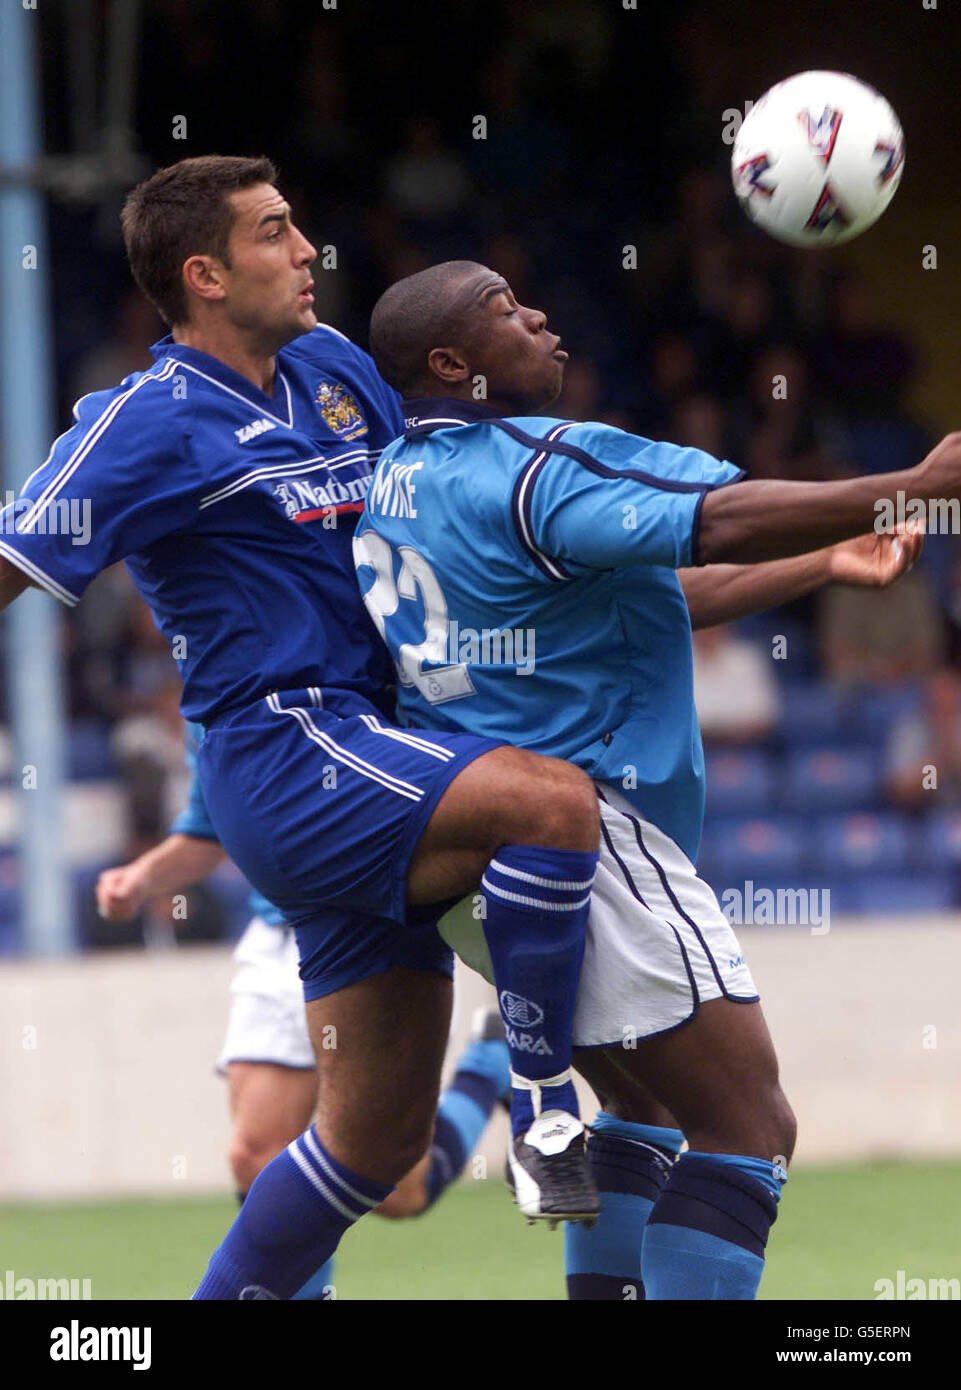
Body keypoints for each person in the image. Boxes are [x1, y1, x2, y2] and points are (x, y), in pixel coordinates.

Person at [0, 157, 608, 1301]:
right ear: (206, 275)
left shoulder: (333, 368)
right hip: (286, 749)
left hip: (380, 747)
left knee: (372, 1149)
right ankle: (544, 1109)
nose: (304, 251)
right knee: (550, 802)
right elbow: (13, 558)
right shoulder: (141, 421)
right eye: (274, 231)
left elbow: (444, 483)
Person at [352, 259, 946, 1299]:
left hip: (480, 851)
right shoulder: (536, 463)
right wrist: (916, 486)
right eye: (504, 310)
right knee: (747, 1125)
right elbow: (718, 517)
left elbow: (639, 587)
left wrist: (822, 561)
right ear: (450, 363)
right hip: (588, 834)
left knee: (643, 1110)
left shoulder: (397, 482)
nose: (539, 315)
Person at [96, 727, 513, 1300]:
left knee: (399, 1191)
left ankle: (487, 1068)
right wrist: (141, 878)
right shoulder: (210, 705)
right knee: (254, 1154)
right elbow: (207, 825)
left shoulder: (353, 672)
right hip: (279, 936)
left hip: (371, 925)